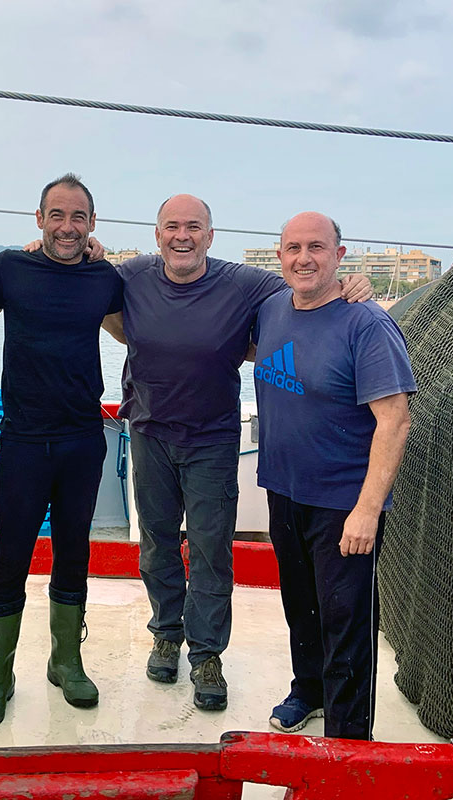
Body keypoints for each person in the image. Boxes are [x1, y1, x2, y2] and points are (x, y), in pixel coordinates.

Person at [112, 195, 372, 712]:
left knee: (211, 552)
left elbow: (307, 290)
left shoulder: (244, 282)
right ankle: (167, 634)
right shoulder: (133, 275)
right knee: (157, 545)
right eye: (171, 227)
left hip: (211, 440)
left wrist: (353, 284)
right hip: (148, 432)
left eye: (194, 227)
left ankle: (207, 654)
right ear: (157, 234)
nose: (181, 236)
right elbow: (84, 276)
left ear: (211, 236)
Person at [0, 174, 123, 729]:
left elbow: (132, 335)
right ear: (39, 219)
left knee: (75, 550)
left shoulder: (106, 278)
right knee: (10, 555)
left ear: (92, 224)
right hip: (23, 439)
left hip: (83, 438)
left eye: (78, 217)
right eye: (57, 215)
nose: (67, 226)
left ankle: (66, 660)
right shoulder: (10, 269)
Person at [253, 211, 414, 739]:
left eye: (317, 247)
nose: (304, 258)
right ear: (279, 256)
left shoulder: (365, 323)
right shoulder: (272, 308)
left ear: (340, 256)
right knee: (300, 605)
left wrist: (367, 510)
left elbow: (394, 420)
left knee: (347, 622)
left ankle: (348, 737)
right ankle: (309, 690)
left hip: (343, 503)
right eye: (293, 247)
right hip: (283, 489)